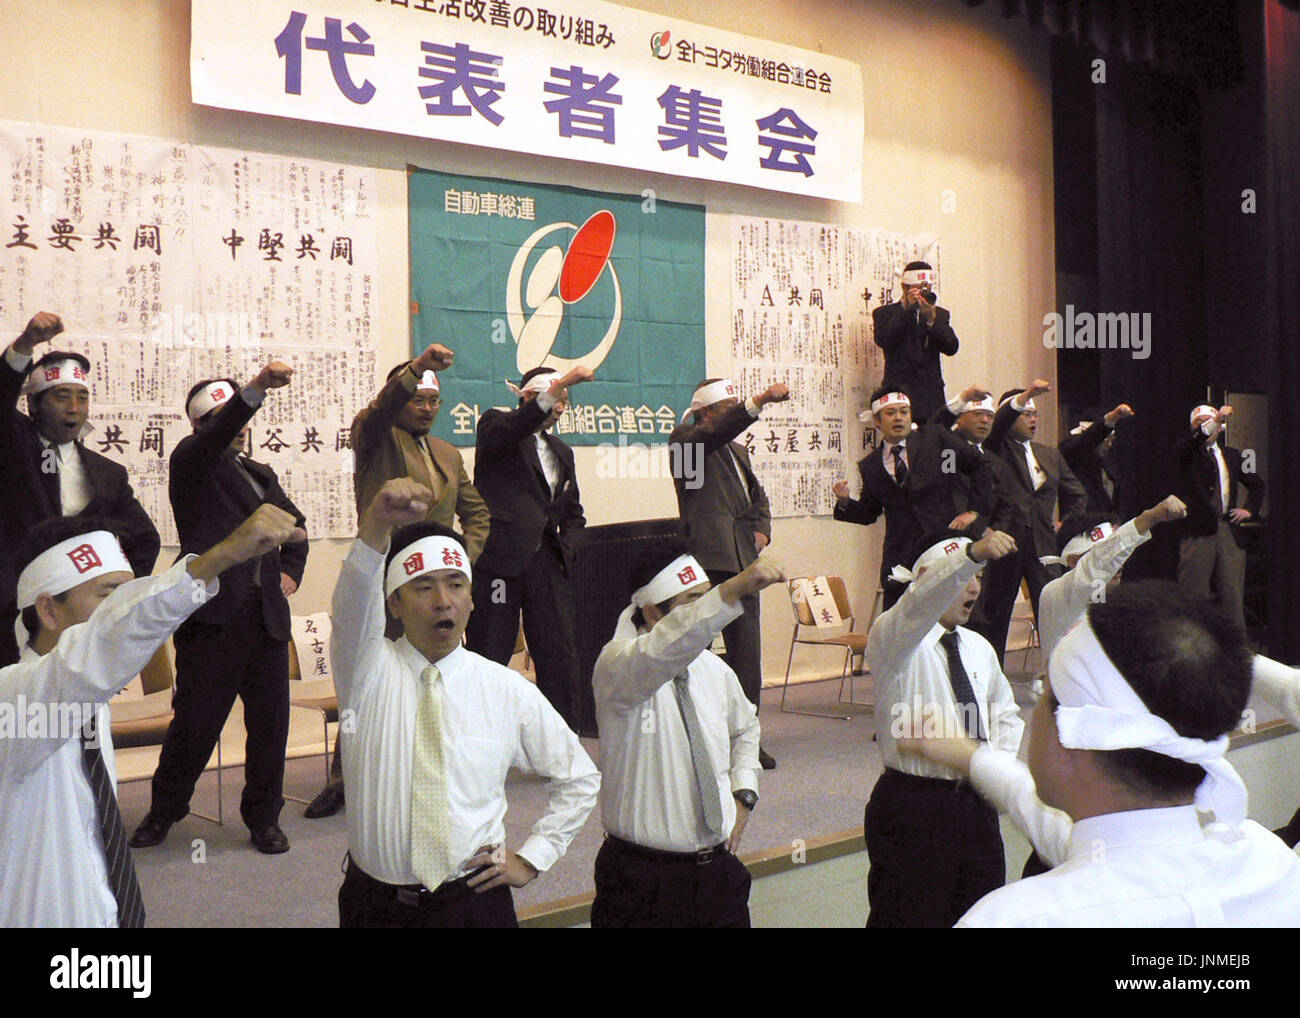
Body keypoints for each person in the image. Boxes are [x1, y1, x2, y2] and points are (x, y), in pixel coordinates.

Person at [903, 582, 1300, 927]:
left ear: (1071, 735)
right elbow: (1106, 844)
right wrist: (972, 757)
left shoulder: (1011, 919)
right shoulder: (1272, 866)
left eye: (1044, 692)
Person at [0, 504, 305, 926]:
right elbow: (104, 643)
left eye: (131, 593)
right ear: (49, 611)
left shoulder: (84, 702)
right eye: (110, 596)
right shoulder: (14, 700)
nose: (124, 609)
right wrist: (220, 557)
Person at [331, 478, 600, 928]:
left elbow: (579, 778)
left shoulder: (504, 688)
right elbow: (353, 601)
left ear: (473, 599)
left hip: (474, 903)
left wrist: (533, 858)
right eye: (423, 588)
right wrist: (376, 525)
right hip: (376, 906)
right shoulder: (366, 671)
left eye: (456, 585)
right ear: (394, 604)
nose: (443, 602)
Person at [304, 341, 488, 820]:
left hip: (437, 591)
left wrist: (459, 564)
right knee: (368, 676)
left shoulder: (447, 453)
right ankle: (346, 778)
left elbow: (476, 511)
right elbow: (381, 407)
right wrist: (418, 368)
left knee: (435, 673)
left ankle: (428, 761)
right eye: (417, 398)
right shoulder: (376, 436)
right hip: (385, 581)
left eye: (433, 401)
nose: (426, 409)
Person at [130, 361, 308, 854]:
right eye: (225, 418)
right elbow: (217, 434)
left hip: (266, 619)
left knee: (271, 726)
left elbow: (298, 525)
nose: (238, 427)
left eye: (239, 418)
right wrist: (253, 390)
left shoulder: (260, 474)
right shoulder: (192, 462)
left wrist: (291, 566)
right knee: (195, 724)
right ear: (199, 426)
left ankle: (264, 819)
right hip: (212, 619)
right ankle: (165, 811)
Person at [590, 540, 782, 927]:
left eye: (706, 598)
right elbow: (663, 648)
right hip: (641, 882)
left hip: (716, 875)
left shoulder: (713, 670)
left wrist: (744, 793)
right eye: (691, 603)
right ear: (650, 612)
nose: (705, 615)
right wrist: (732, 591)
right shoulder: (620, 666)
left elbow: (745, 727)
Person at [863, 526, 1022, 927]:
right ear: (924, 580)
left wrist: (991, 769)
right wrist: (970, 553)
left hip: (975, 805)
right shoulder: (894, 638)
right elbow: (920, 603)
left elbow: (1004, 713)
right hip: (916, 806)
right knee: (909, 916)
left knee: (981, 914)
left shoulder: (978, 647)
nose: (973, 587)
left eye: (978, 577)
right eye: (962, 577)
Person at [0, 312, 160, 666]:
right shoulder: (14, 446)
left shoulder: (107, 474)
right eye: (61, 396)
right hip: (10, 610)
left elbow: (145, 540)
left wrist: (117, 597)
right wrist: (24, 345)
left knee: (73, 712)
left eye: (82, 397)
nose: (74, 408)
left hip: (77, 620)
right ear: (34, 403)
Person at [670, 377, 789, 770]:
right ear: (705, 413)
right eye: (729, 408)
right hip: (707, 557)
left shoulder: (737, 450)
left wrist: (762, 529)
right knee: (699, 653)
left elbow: (758, 498)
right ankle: (698, 738)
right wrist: (756, 403)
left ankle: (746, 739)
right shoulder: (685, 442)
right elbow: (714, 434)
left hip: (743, 558)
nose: (737, 414)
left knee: (746, 655)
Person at [464, 365, 590, 732]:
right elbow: (516, 425)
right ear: (525, 398)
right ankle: (479, 738)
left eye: (565, 400)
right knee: (491, 649)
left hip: (547, 565)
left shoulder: (562, 452)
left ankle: (561, 737)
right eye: (554, 398)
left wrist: (567, 549)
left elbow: (573, 512)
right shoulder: (496, 429)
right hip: (501, 564)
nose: (560, 408)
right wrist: (561, 383)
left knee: (557, 652)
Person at [833, 384, 994, 611]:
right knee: (899, 620)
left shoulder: (935, 439)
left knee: (951, 615)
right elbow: (870, 512)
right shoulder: (870, 466)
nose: (898, 418)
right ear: (877, 421)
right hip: (901, 554)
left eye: (904, 412)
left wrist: (974, 511)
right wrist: (844, 502)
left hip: (942, 543)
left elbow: (980, 465)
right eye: (891, 413)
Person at [928, 387, 1031, 663]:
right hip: (957, 546)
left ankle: (990, 674)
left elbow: (1006, 504)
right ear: (960, 419)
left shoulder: (993, 459)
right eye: (977, 415)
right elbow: (951, 500)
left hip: (992, 553)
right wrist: (980, 528)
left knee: (993, 618)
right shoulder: (947, 452)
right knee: (962, 618)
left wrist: (995, 530)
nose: (985, 421)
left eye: (989, 416)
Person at [986, 379, 1087, 618]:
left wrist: (1066, 523)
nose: (1033, 420)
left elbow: (1077, 494)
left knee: (1053, 615)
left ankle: (1055, 657)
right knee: (995, 616)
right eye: (1025, 414)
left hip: (1043, 545)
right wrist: (1026, 394)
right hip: (1007, 543)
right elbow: (999, 424)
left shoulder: (1049, 454)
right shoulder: (996, 448)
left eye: (1036, 414)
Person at [1175, 404, 1265, 632]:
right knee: (1193, 595)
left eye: (1210, 421)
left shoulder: (1232, 455)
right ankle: (1191, 650)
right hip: (1198, 531)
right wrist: (1213, 419)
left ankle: (1235, 652)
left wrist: (1249, 510)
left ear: (1221, 428)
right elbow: (1187, 445)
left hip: (1227, 529)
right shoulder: (1187, 454)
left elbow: (1257, 485)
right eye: (1200, 422)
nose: (1206, 426)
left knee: (1232, 595)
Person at [871, 261, 959, 421]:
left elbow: (951, 347)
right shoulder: (885, 313)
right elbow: (883, 339)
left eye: (928, 289)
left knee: (934, 441)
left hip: (931, 397)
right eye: (918, 289)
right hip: (899, 393)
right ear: (905, 288)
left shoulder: (940, 314)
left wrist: (932, 320)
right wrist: (905, 309)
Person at [1058, 404, 1133, 515]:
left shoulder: (1107, 462)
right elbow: (1087, 440)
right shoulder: (1070, 452)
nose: (1109, 444)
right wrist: (1112, 418)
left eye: (1112, 439)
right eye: (1106, 439)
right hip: (1078, 526)